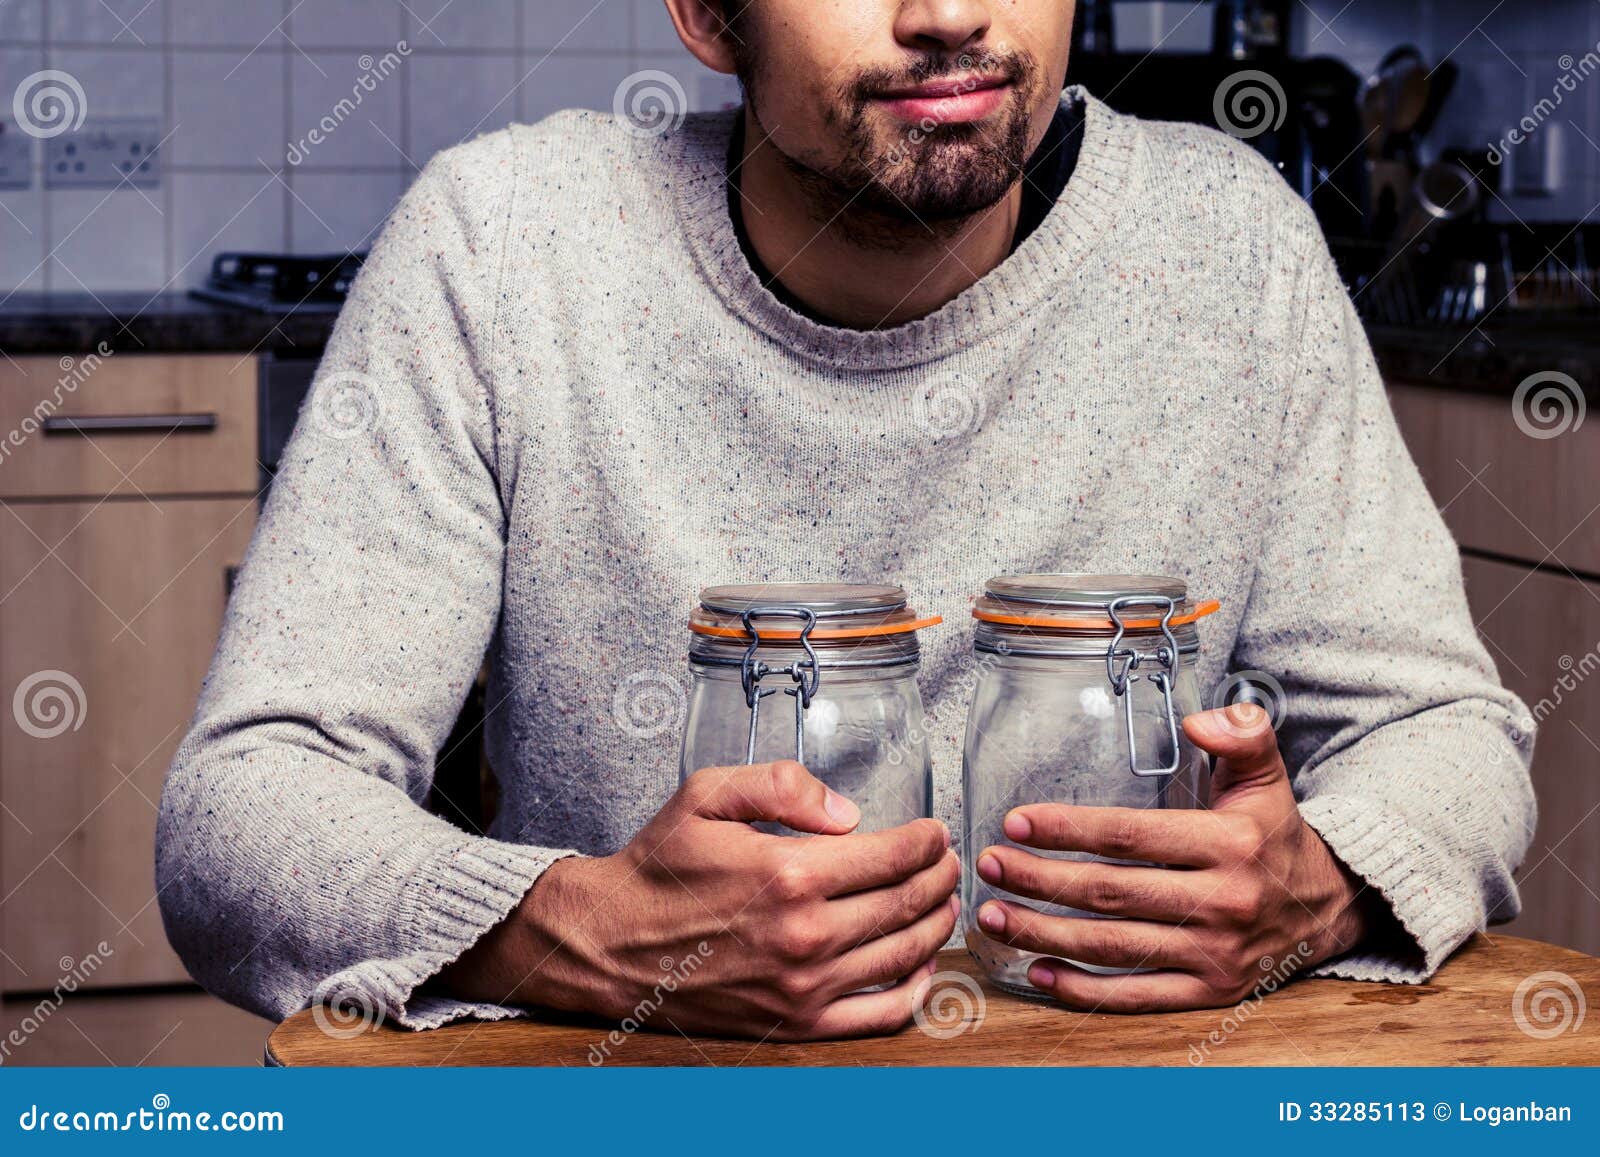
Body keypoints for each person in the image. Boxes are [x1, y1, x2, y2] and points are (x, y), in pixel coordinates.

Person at [157, 0, 1535, 1041]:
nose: (948, 14)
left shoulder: (1230, 244)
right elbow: (242, 817)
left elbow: (1443, 732)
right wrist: (581, 931)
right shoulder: (504, 245)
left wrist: (1323, 883)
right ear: (705, 13)